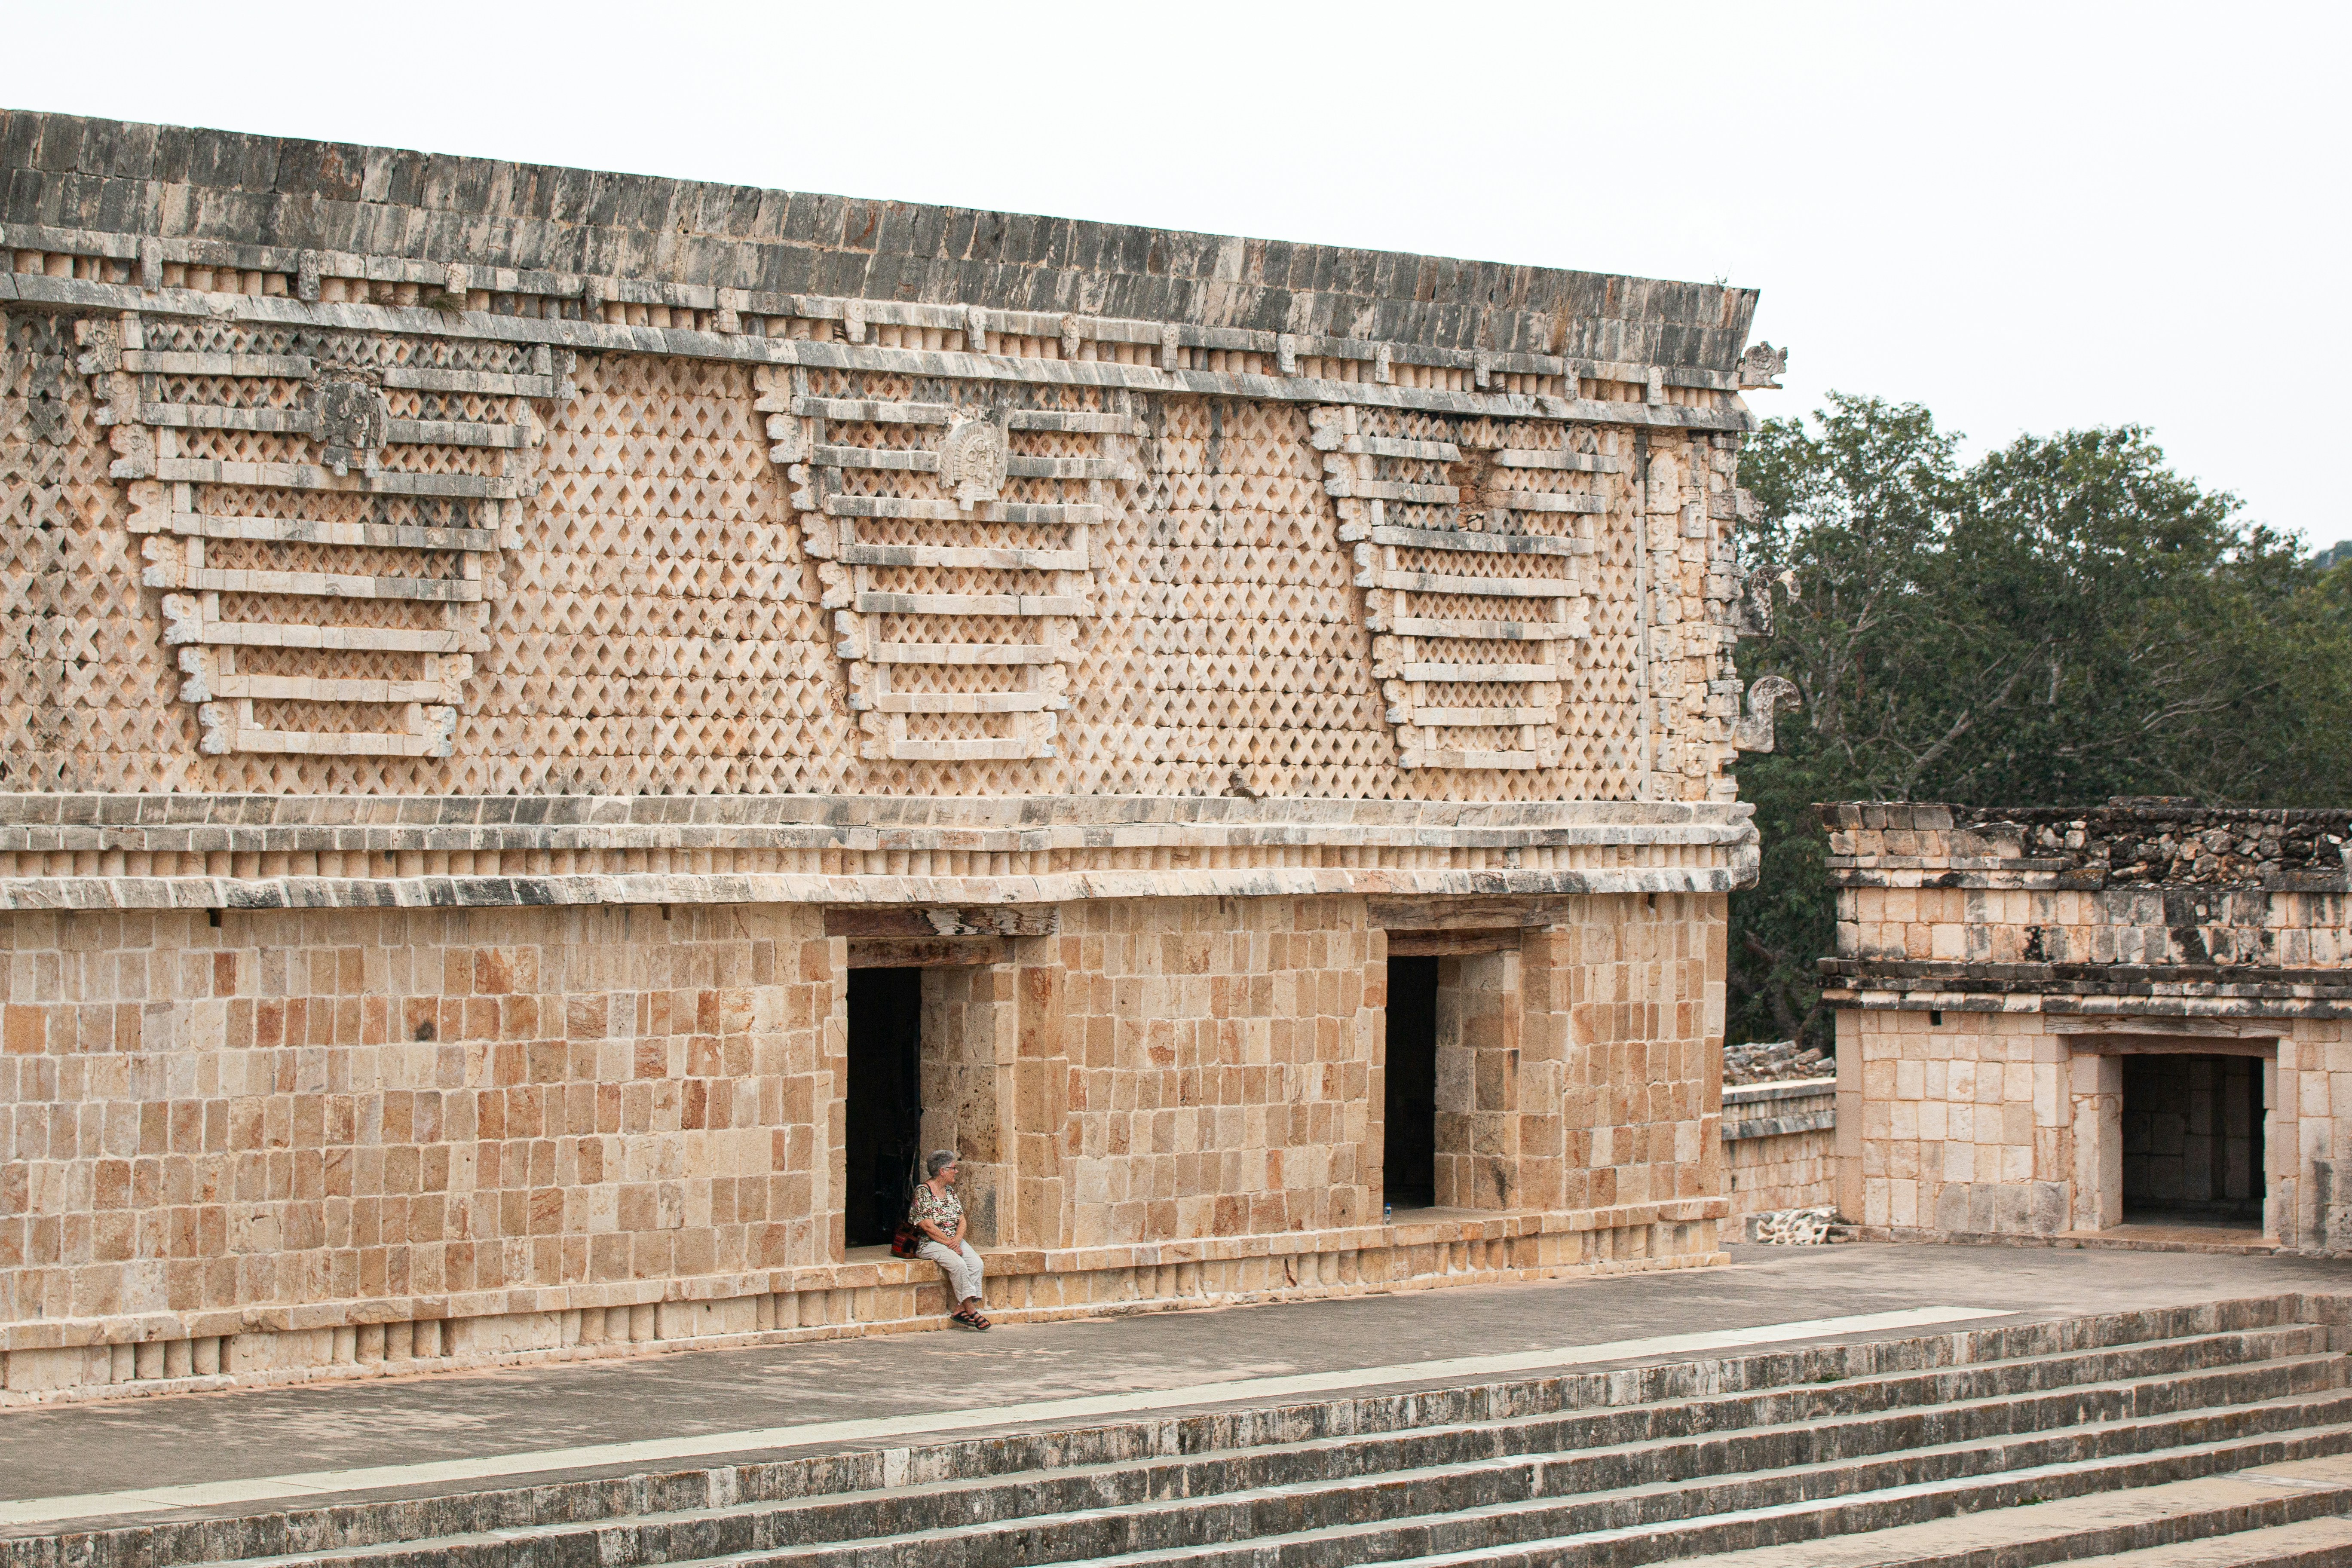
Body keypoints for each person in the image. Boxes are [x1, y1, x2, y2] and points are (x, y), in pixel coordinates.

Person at [909, 1149, 989, 1330]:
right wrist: (950, 1244)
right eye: (954, 1168)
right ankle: (971, 1310)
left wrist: (957, 1239)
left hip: (954, 1240)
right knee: (959, 1265)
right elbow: (928, 1226)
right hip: (931, 1243)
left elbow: (962, 1219)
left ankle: (959, 1310)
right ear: (942, 1171)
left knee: (976, 1264)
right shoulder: (923, 1192)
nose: (957, 1171)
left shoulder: (950, 1192)